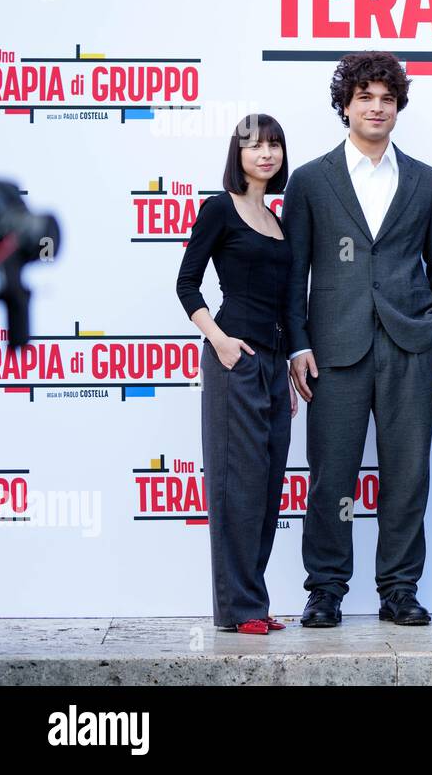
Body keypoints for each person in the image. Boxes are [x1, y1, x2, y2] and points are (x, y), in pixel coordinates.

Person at [284, 51, 432, 628]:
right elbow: (294, 272)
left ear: (398, 107)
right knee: (332, 473)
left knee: (408, 474)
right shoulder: (309, 181)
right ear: (345, 106)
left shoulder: (427, 182)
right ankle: (326, 590)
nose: (377, 107)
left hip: (410, 345)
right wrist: (298, 344)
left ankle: (399, 589)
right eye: (365, 97)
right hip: (334, 348)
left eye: (387, 98)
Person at [176, 114, 295, 635]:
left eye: (274, 145)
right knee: (236, 485)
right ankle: (237, 609)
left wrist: (289, 363)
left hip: (273, 361)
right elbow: (186, 285)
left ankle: (254, 600)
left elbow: (286, 300)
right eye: (254, 146)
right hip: (235, 359)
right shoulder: (219, 210)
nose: (265, 154)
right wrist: (219, 342)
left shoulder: (276, 218)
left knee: (268, 487)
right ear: (237, 154)